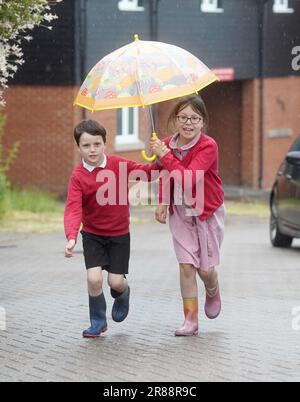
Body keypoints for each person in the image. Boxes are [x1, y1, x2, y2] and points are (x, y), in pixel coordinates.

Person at [64, 119, 160, 338]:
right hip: (92, 235)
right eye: (86, 145)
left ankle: (123, 292)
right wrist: (71, 236)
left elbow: (149, 173)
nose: (92, 150)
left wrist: (160, 155)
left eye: (97, 144)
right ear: (78, 147)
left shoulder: (118, 165)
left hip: (119, 235)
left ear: (104, 144)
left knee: (115, 281)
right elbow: (72, 209)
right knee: (94, 279)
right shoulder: (78, 176)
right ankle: (98, 320)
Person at [150, 94, 225, 337]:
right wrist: (162, 199)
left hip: (206, 212)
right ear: (175, 120)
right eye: (183, 117)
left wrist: (165, 156)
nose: (188, 123)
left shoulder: (208, 146)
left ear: (203, 122)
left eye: (194, 118)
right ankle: (190, 320)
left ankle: (212, 288)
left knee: (204, 270)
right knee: (186, 267)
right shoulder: (166, 145)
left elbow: (188, 178)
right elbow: (163, 173)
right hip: (181, 213)